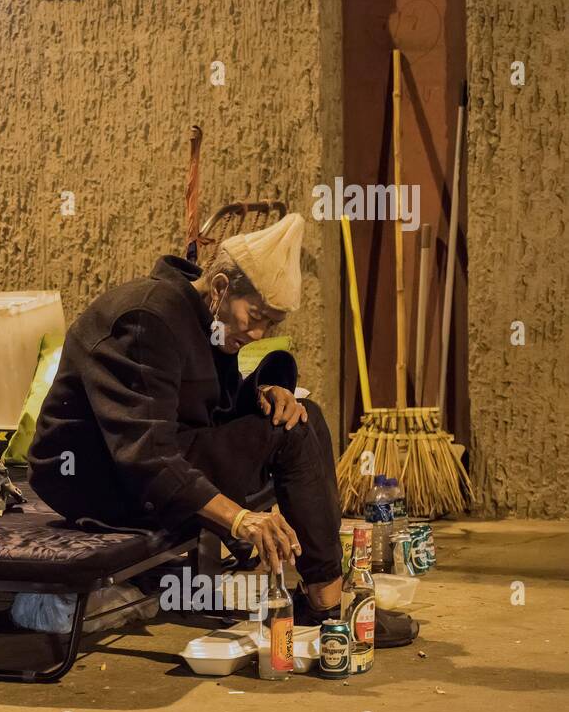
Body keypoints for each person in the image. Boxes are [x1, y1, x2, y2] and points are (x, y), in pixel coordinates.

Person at [27, 214, 417, 644]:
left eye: (270, 325)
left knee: (300, 416)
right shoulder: (147, 319)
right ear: (219, 288)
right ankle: (327, 609)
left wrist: (266, 393)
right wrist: (240, 520)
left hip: (147, 461)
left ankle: (323, 595)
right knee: (291, 435)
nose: (257, 333)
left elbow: (212, 408)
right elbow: (145, 453)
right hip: (97, 479)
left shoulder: (207, 321)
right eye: (256, 316)